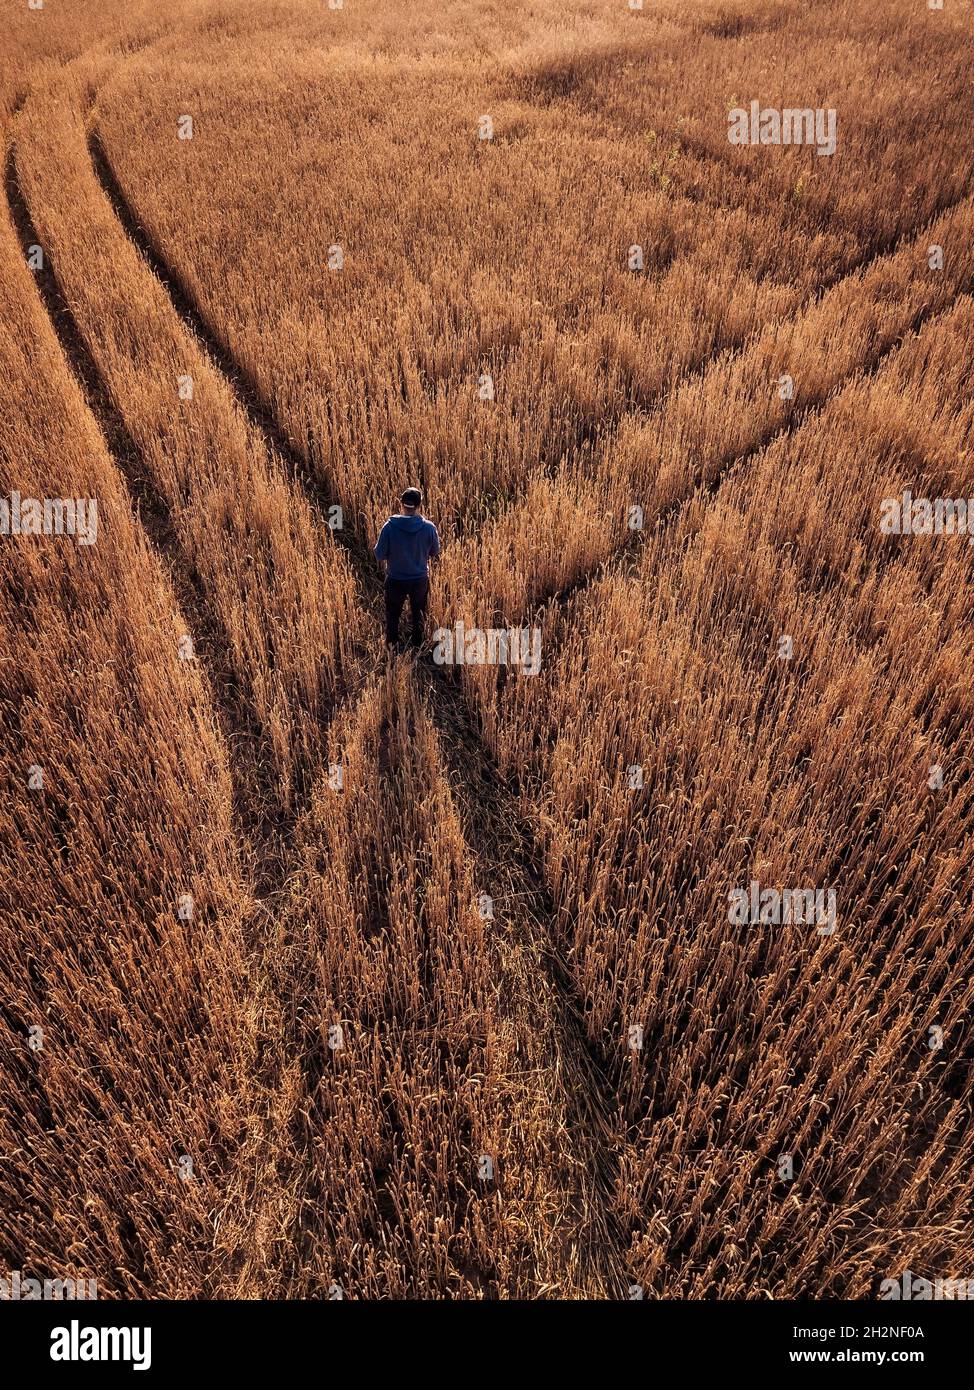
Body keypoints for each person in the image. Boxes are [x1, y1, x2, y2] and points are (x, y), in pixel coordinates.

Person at [374, 487, 441, 650]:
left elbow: (379, 554)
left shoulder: (389, 527)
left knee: (393, 615)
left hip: (396, 579)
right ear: (420, 505)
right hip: (419, 580)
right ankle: (417, 646)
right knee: (418, 614)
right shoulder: (429, 528)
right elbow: (435, 552)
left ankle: (392, 647)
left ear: (400, 503)